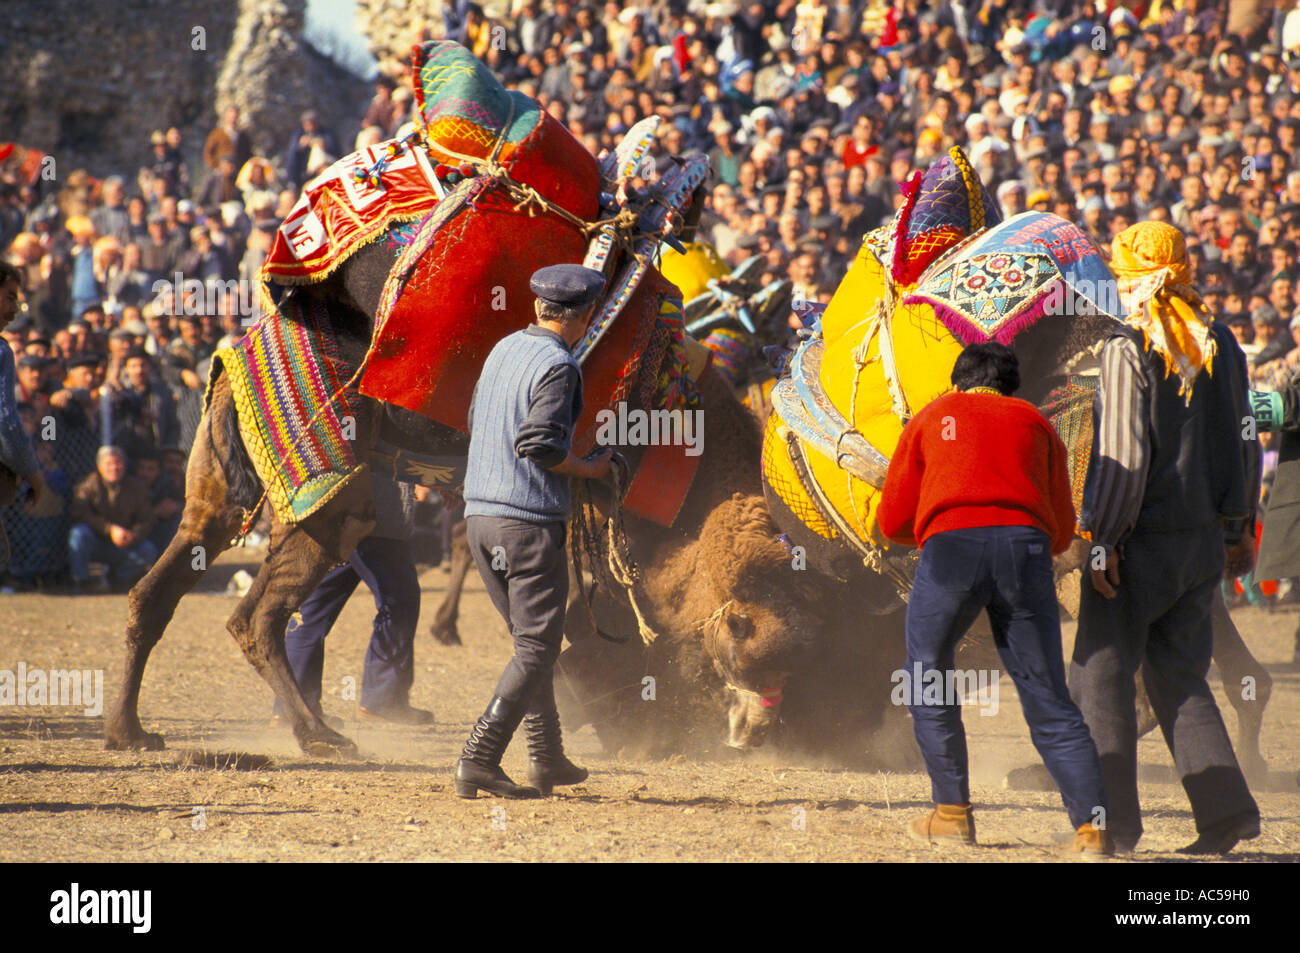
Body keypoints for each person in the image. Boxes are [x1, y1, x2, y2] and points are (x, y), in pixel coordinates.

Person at [877, 341, 1111, 856]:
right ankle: (1092, 829)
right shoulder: (1035, 421)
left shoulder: (933, 416)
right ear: (1011, 384)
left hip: (950, 549)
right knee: (1047, 695)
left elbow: (892, 518)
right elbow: (1061, 522)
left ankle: (952, 814)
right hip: (1025, 552)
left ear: (957, 382)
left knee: (928, 676)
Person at [1072, 222, 1260, 856]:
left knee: (1098, 677)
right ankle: (1227, 814)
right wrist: (1237, 527)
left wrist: (1102, 539)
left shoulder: (1128, 348)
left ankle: (1110, 826)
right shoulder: (1222, 342)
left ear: (1129, 276)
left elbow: (1123, 455)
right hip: (1202, 541)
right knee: (1179, 676)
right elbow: (1243, 435)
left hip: (1138, 541)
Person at [454, 263, 613, 799]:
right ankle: (479, 755)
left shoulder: (503, 349)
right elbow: (541, 446)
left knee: (530, 644)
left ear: (538, 308)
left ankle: (546, 758)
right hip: (525, 522)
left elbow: (479, 421)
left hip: (480, 517)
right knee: (537, 648)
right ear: (586, 316)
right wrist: (592, 470)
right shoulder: (559, 366)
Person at [273, 474, 430, 726]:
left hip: (332, 508)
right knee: (400, 601)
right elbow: (397, 438)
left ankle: (292, 707)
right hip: (376, 515)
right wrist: (425, 475)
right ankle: (383, 700)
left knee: (313, 607)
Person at [68, 445, 157, 591]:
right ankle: (80, 580)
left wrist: (132, 536)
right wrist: (109, 530)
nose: (115, 467)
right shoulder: (88, 485)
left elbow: (147, 520)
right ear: (100, 467)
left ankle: (116, 578)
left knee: (148, 551)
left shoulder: (137, 487)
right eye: (109, 463)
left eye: (118, 463)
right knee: (78, 533)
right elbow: (79, 513)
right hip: (95, 541)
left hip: (124, 544)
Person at [0, 263, 49, 507]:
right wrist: (33, 473)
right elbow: (6, 422)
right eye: (9, 298)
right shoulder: (2, 354)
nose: (14, 309)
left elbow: (49, 431)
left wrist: (44, 450)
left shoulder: (48, 399)